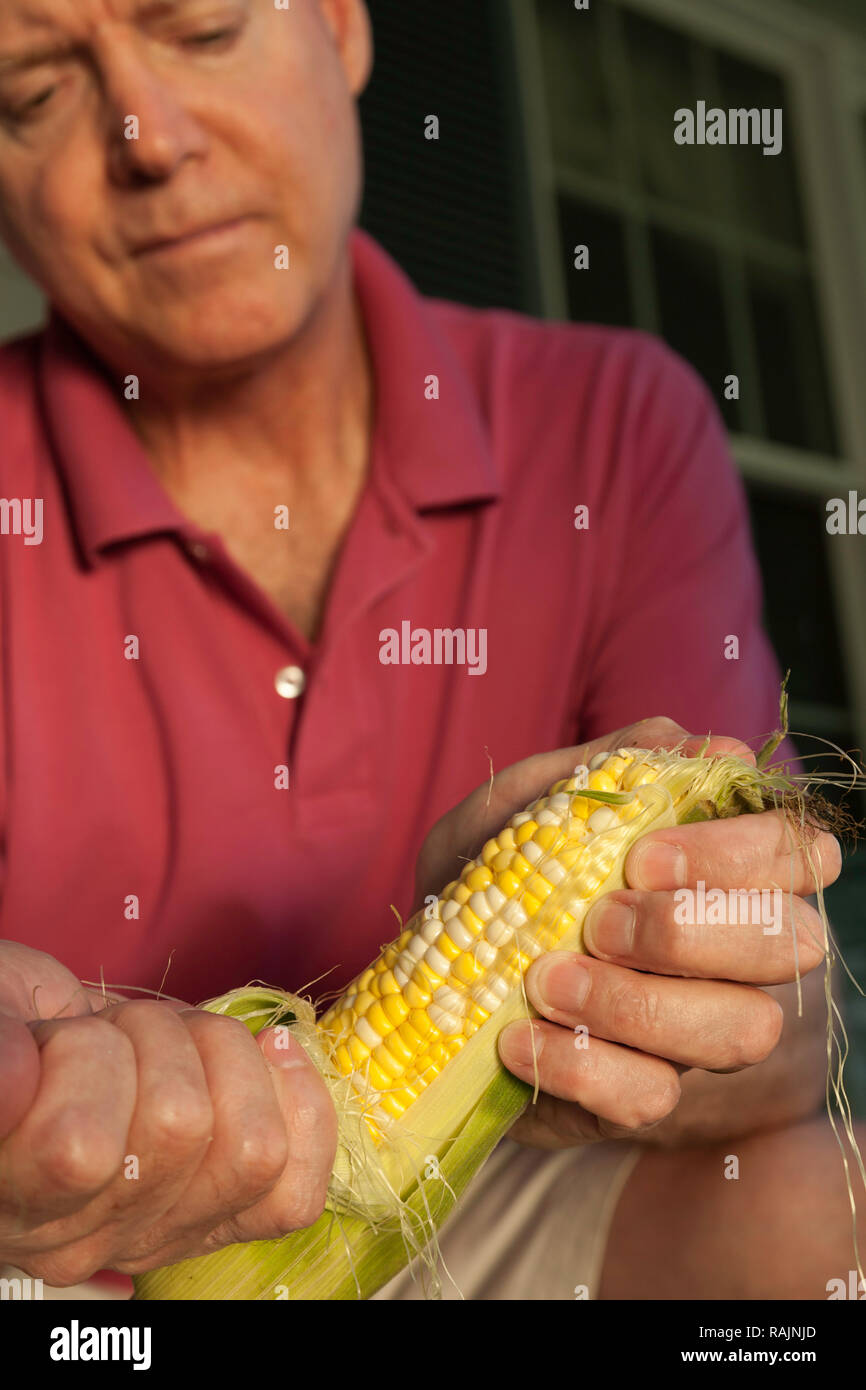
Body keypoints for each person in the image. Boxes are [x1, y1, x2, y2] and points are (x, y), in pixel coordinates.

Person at [0, 0, 856, 1300]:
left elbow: (783, 1042)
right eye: (29, 93)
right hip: (62, 1259)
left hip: (467, 1193)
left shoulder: (614, 425)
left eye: (205, 30)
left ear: (338, 27)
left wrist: (647, 1001)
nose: (149, 140)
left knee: (815, 1198)